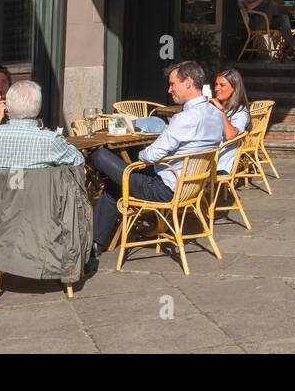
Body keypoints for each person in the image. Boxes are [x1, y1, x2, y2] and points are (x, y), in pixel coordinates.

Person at [89, 61, 225, 252]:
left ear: (187, 82)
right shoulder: (216, 113)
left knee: (98, 154)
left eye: (172, 84)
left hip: (163, 189)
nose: (169, 90)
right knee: (115, 181)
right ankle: (95, 243)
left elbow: (150, 156)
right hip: (191, 186)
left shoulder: (185, 118)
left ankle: (93, 240)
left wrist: (143, 154)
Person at [0, 80, 84, 171]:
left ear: (8, 107)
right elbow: (79, 161)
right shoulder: (51, 140)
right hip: (41, 193)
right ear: (39, 107)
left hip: (0, 193)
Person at [210, 68, 250, 174]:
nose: (217, 88)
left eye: (222, 85)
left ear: (234, 88)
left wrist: (221, 111)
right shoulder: (216, 107)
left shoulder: (240, 112)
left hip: (219, 165)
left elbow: (230, 135)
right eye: (216, 84)